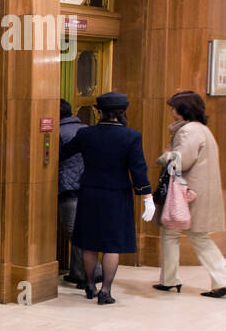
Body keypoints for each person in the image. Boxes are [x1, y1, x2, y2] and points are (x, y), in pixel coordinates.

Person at [59, 91, 154, 304]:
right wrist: (147, 196)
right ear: (122, 112)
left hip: (90, 192)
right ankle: (106, 291)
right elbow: (138, 169)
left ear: (99, 111)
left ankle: (90, 285)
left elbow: (63, 152)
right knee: (112, 243)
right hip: (117, 194)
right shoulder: (131, 136)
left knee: (89, 241)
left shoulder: (86, 134)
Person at [153, 90, 226, 298]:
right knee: (174, 233)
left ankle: (221, 280)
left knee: (194, 236)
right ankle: (169, 279)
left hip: (187, 193)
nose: (171, 111)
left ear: (182, 110)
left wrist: (164, 156)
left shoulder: (188, 131)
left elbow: (181, 161)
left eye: (173, 107)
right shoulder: (202, 129)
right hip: (198, 190)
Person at [57, 99, 101, 288]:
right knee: (82, 229)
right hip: (88, 187)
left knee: (73, 231)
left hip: (69, 188)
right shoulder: (86, 129)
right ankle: (78, 271)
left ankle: (88, 271)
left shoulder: (58, 132)